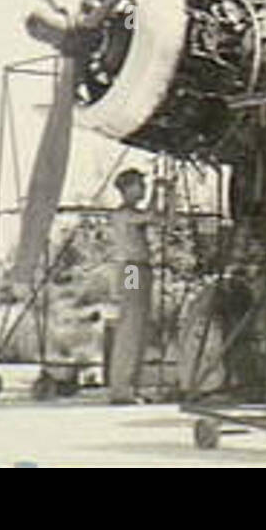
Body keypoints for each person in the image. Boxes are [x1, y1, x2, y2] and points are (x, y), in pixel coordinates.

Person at [107, 168, 155, 404]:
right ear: (127, 188)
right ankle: (121, 387)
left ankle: (130, 385)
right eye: (139, 185)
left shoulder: (134, 213)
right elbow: (152, 216)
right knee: (130, 327)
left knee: (139, 328)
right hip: (132, 269)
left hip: (140, 268)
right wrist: (161, 191)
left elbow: (161, 218)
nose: (143, 190)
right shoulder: (123, 214)